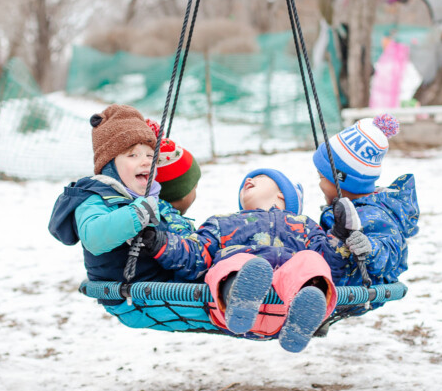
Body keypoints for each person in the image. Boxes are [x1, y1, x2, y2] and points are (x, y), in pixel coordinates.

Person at [140, 169, 361, 353]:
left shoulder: (303, 226)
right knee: (235, 262)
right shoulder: (222, 223)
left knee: (311, 260)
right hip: (228, 310)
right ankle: (238, 296)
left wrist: (339, 235)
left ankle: (303, 316)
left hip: (286, 309)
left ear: (284, 195)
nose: (248, 180)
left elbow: (330, 262)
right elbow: (197, 256)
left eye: (259, 178)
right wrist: (162, 243)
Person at [48, 104, 197, 287]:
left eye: (150, 156)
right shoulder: (94, 196)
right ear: (109, 165)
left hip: (166, 283)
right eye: (132, 155)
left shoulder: (148, 197)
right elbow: (93, 237)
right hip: (138, 296)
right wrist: (136, 215)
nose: (145, 161)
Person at [314, 114, 419, 287]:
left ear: (340, 180)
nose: (319, 183)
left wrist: (369, 247)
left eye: (321, 177)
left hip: (357, 284)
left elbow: (391, 249)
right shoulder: (348, 205)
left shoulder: (373, 214)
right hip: (331, 273)